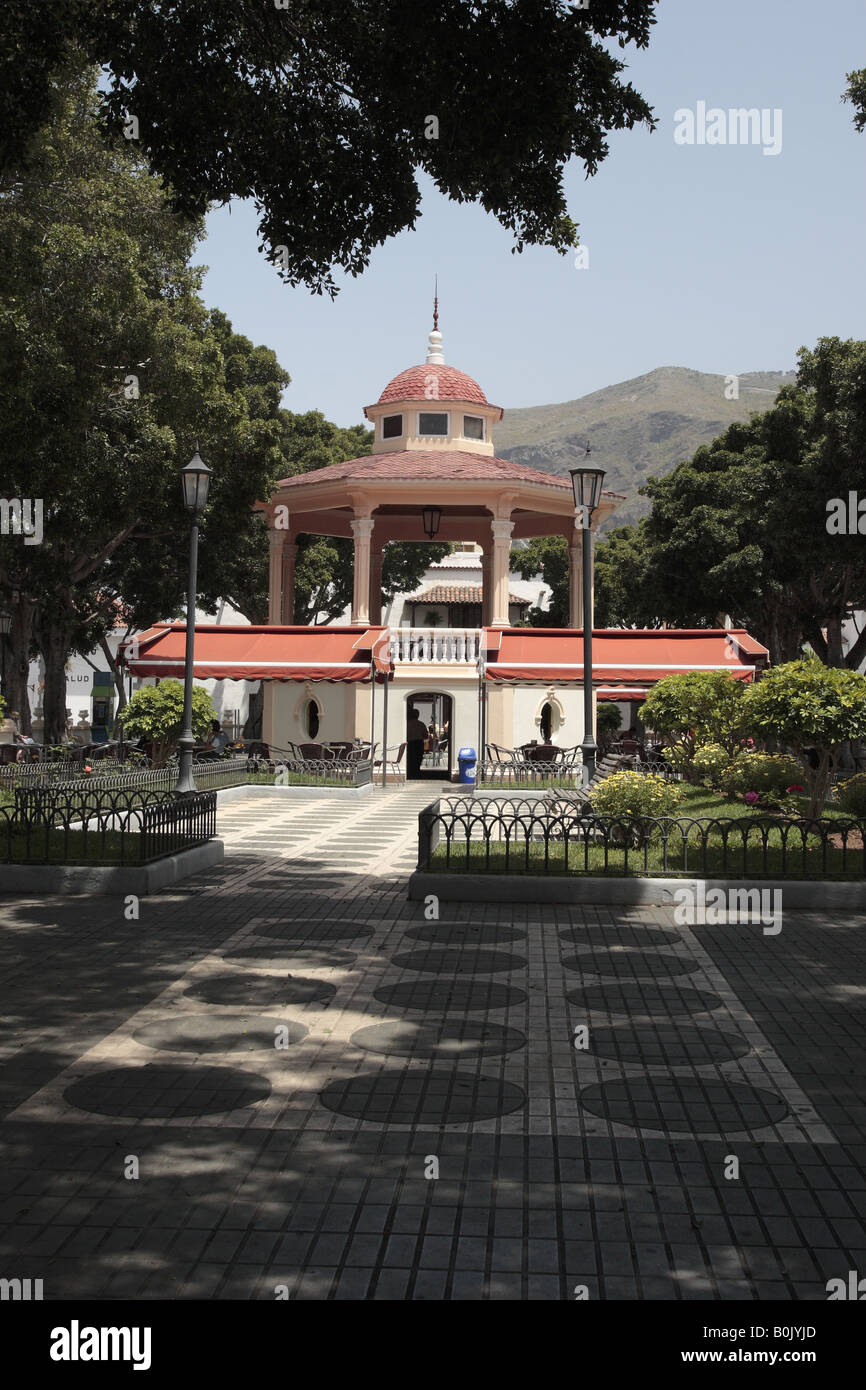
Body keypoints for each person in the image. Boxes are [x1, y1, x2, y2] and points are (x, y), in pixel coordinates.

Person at [406, 706, 429, 779]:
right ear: (417, 715)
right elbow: (426, 735)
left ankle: (410, 772)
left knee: (410, 758)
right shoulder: (421, 724)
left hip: (409, 743)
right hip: (418, 743)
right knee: (418, 758)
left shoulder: (406, 724)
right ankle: (417, 771)